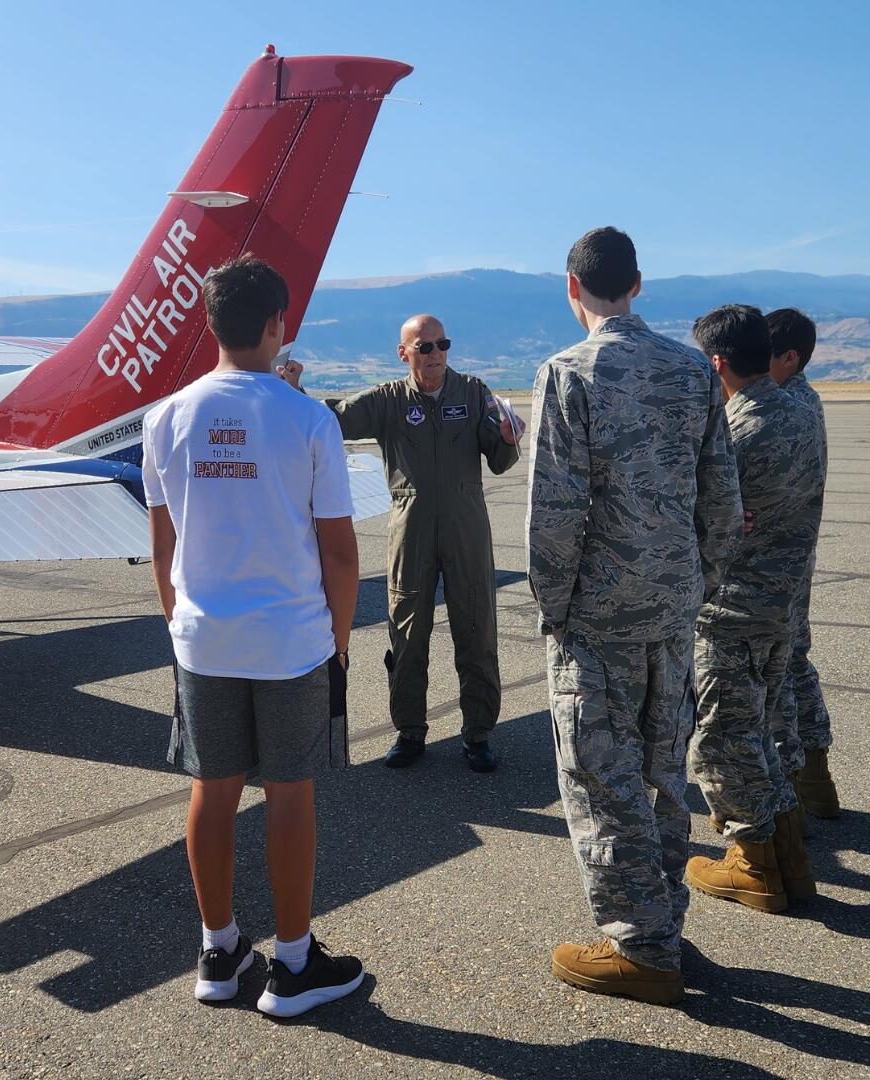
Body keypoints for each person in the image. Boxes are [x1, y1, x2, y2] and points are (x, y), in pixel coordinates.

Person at [142, 255, 364, 1017]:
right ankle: (295, 965)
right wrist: (337, 639)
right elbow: (339, 550)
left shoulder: (164, 418)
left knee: (212, 787)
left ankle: (218, 948)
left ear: (209, 323)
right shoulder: (308, 418)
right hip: (290, 641)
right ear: (279, 324)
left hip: (203, 638)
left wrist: (179, 625)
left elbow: (162, 546)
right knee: (290, 794)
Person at [527, 227, 743, 1004]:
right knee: (661, 771)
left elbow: (556, 511)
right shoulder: (692, 371)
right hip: (673, 611)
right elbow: (722, 497)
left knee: (600, 779)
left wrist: (554, 609)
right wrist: (695, 581)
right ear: (638, 284)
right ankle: (664, 922)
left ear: (572, 288)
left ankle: (641, 947)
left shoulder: (568, 372)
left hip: (599, 619)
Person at [281, 315, 521, 773]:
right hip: (409, 527)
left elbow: (501, 458)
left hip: (466, 525)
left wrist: (508, 439)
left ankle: (478, 734)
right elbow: (330, 421)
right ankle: (409, 732)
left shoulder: (473, 392)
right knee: (408, 632)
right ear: (404, 352)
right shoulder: (388, 400)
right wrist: (295, 391)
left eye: (441, 344)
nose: (434, 354)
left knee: (476, 630)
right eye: (424, 346)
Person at [686, 305, 822, 915]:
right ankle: (790, 859)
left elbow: (695, 519)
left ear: (716, 362)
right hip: (784, 606)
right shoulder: (801, 411)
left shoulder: (737, 432)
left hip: (731, 612)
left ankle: (753, 866)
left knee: (724, 738)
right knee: (771, 731)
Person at [766, 307, 839, 818]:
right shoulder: (803, 400)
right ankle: (814, 780)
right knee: (794, 665)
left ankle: (793, 791)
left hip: (773, 568)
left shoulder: (782, 409)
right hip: (793, 562)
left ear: (790, 358)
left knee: (779, 675)